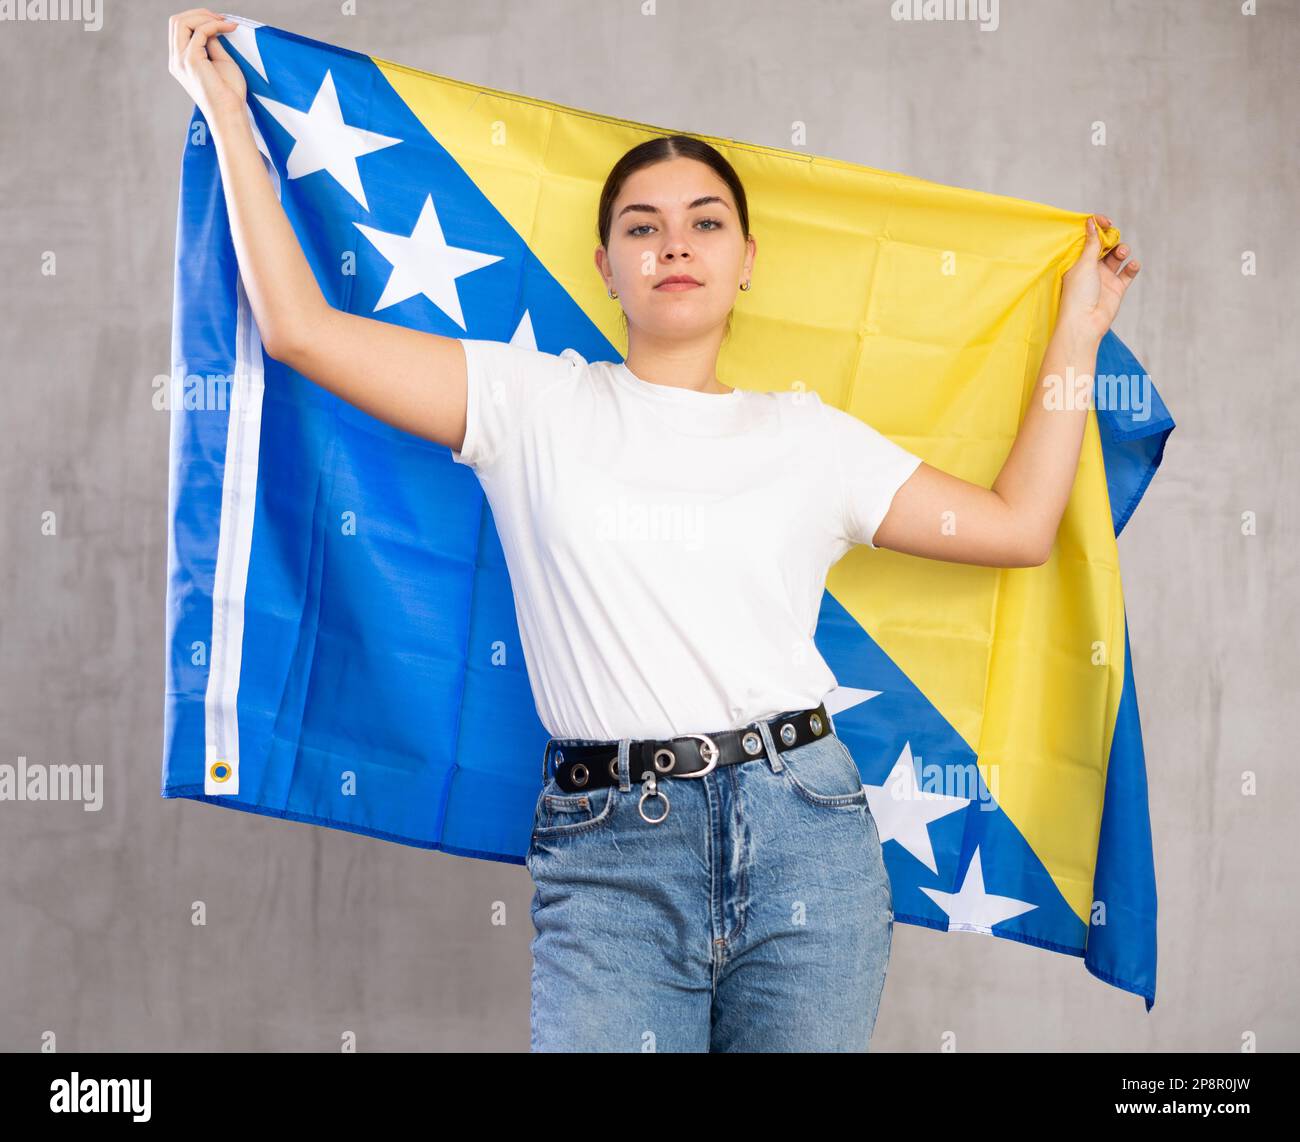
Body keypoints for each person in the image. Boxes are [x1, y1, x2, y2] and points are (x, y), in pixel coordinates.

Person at [168, 9, 1142, 1052]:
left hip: (806, 831)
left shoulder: (807, 436)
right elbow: (302, 331)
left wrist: (1076, 329)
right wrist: (229, 115)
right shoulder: (527, 402)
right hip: (608, 854)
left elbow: (1017, 525)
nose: (674, 242)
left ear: (747, 259)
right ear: (604, 263)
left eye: (704, 220)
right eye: (641, 224)